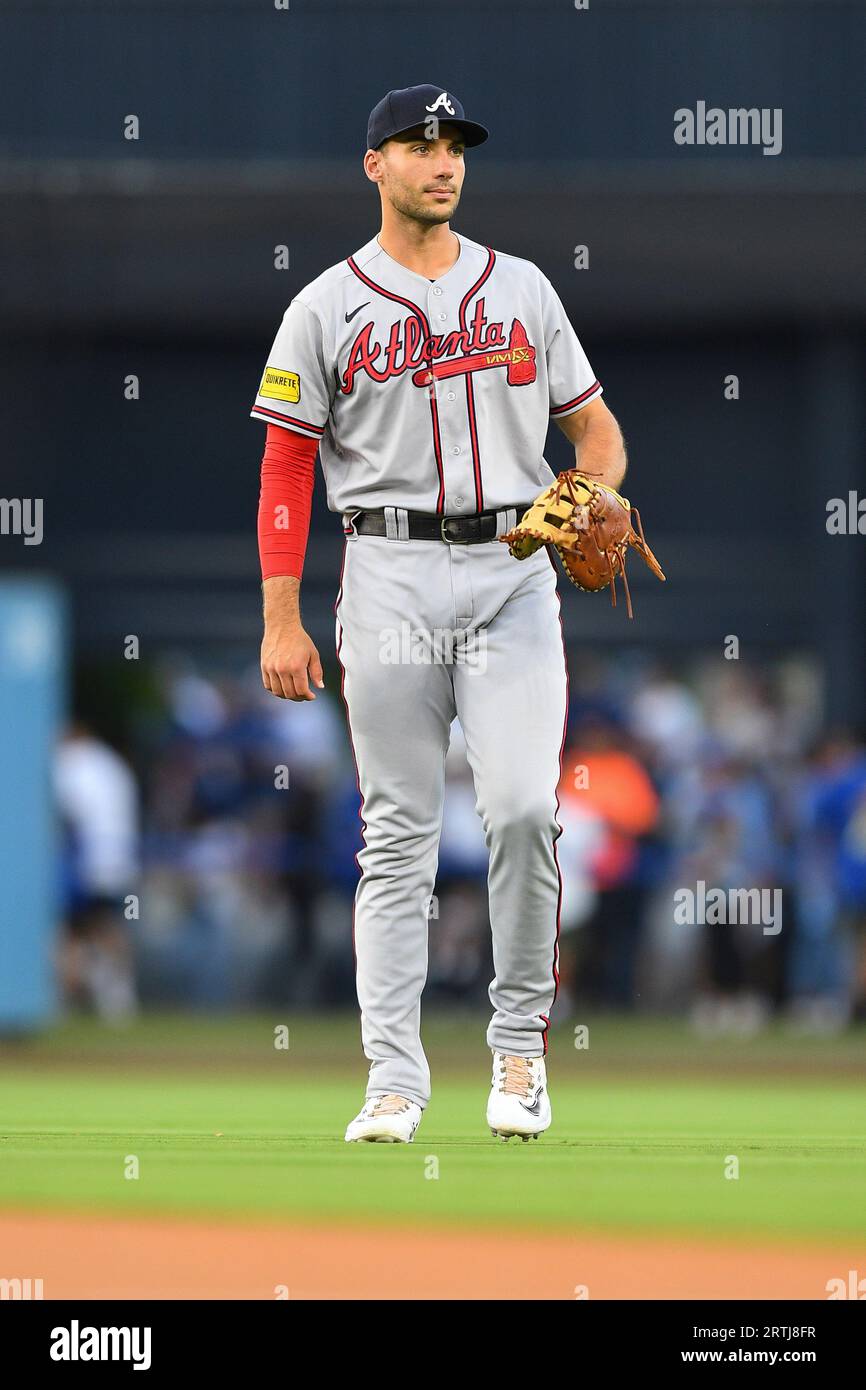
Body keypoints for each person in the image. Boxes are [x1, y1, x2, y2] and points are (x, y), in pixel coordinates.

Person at [252, 85, 628, 1143]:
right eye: (419, 144)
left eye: (455, 144)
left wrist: (588, 493)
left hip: (514, 565)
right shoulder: (325, 305)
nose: (443, 160)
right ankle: (392, 1079)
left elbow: (596, 433)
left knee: (521, 808)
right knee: (398, 835)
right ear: (375, 164)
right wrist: (281, 616)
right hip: (387, 567)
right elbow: (285, 468)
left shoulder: (523, 288)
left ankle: (518, 1048)